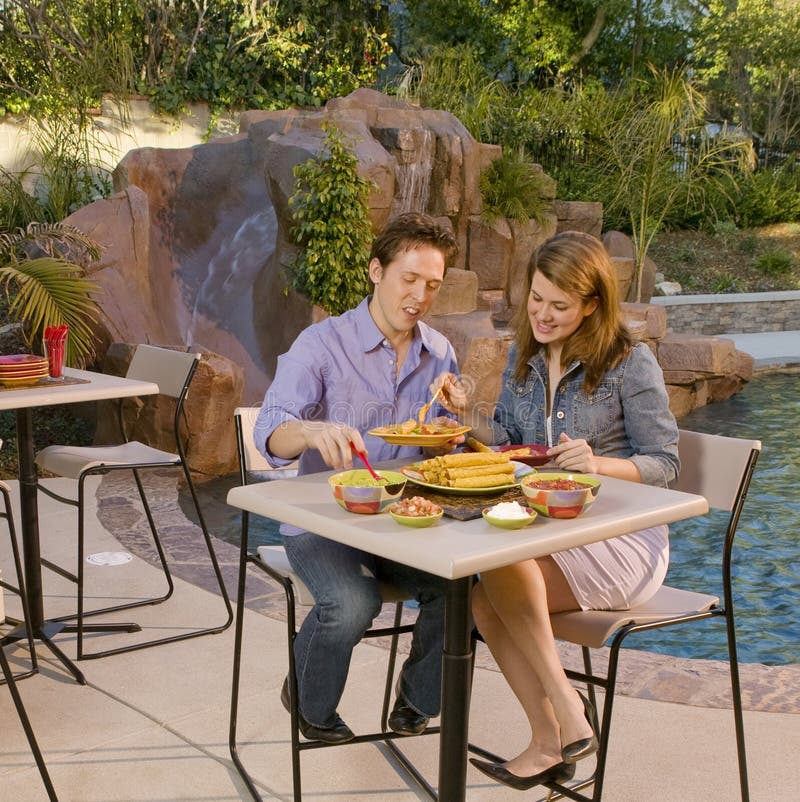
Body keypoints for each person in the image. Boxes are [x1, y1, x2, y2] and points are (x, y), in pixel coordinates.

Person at [444, 230, 680, 790]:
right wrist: (465, 416)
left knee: (499, 564)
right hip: (551, 532)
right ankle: (551, 737)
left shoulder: (630, 361)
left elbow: (666, 464)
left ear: (591, 304)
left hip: (624, 537)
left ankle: (569, 712)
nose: (543, 315)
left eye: (560, 305)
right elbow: (505, 441)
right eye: (536, 299)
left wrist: (599, 465)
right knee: (482, 598)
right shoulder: (522, 357)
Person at [254, 212, 465, 744]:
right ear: (376, 271)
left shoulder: (439, 352)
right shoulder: (320, 344)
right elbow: (269, 431)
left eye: (432, 285)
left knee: (467, 588)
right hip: (324, 520)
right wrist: (308, 430)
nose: (419, 295)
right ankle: (309, 701)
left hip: (400, 520)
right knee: (352, 603)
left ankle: (416, 701)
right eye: (409, 279)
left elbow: (446, 445)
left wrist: (454, 424)